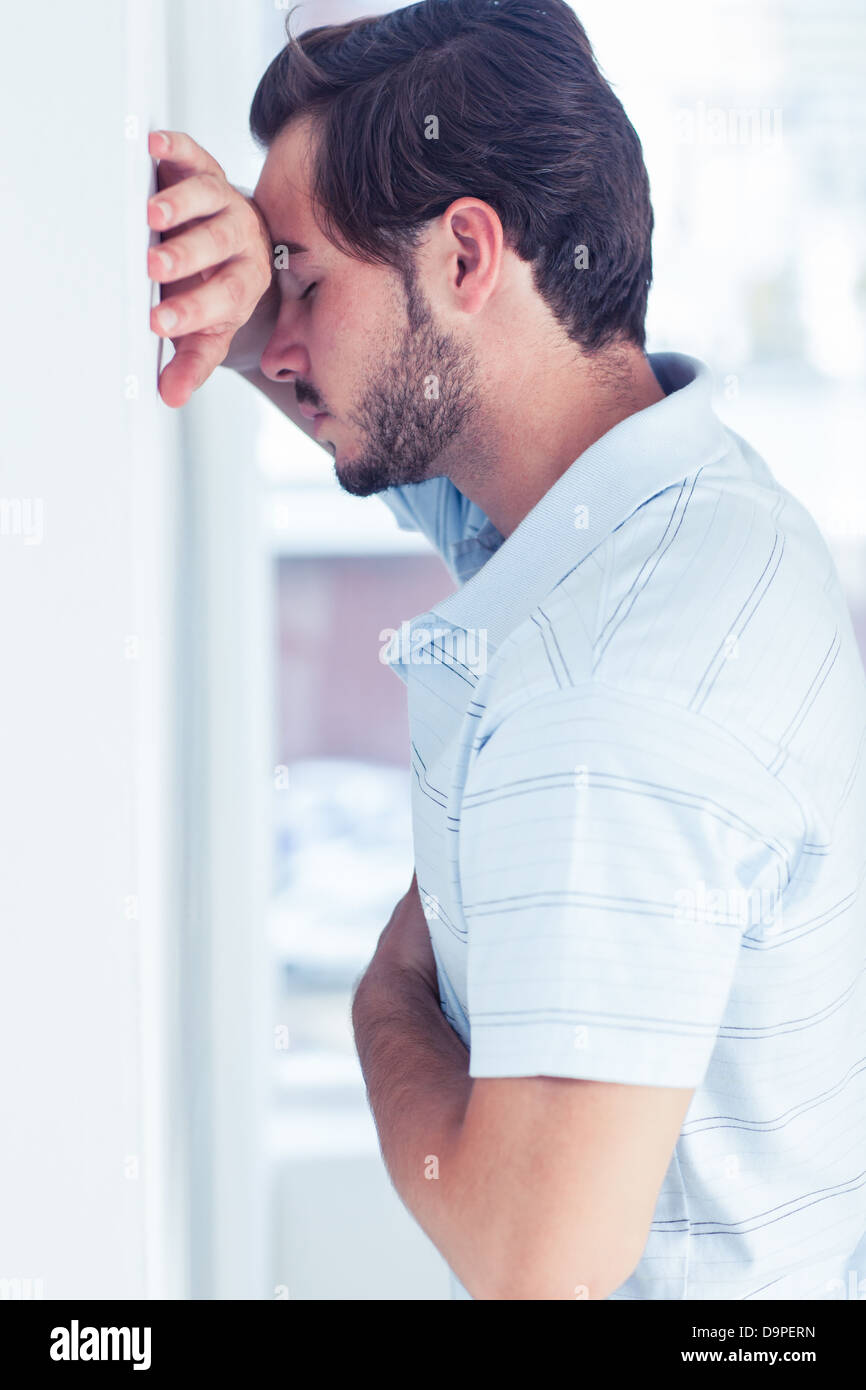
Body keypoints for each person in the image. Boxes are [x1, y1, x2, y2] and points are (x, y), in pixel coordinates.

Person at [146, 0, 866, 1301]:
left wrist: (383, 1001)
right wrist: (261, 312)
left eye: (302, 275)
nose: (283, 331)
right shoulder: (652, 503)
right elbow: (415, 448)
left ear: (466, 252)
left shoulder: (607, 687)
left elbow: (534, 1264)